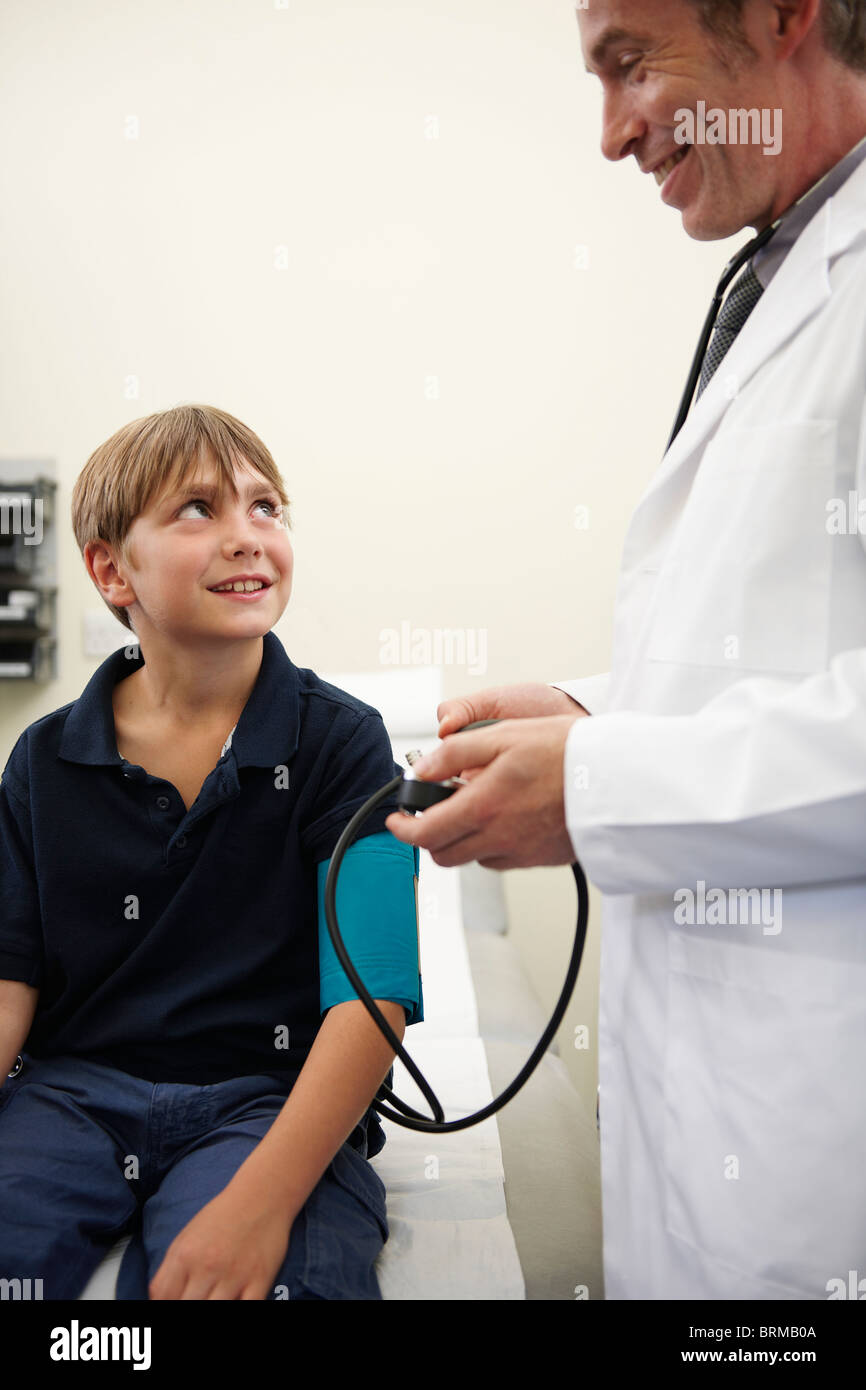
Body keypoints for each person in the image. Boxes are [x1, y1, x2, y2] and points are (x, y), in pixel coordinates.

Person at [386, 0, 866, 1300]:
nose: (608, 136)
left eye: (626, 64)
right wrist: (590, 712)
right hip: (729, 1102)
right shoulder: (790, 267)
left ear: (779, 16)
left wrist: (596, 785)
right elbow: (787, 652)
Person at [0, 403, 423, 1300]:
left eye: (265, 507)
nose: (246, 536)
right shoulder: (42, 761)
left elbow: (373, 994)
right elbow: (9, 981)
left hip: (267, 1100)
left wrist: (260, 1205)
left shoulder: (345, 743)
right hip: (69, 1096)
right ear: (112, 570)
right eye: (198, 510)